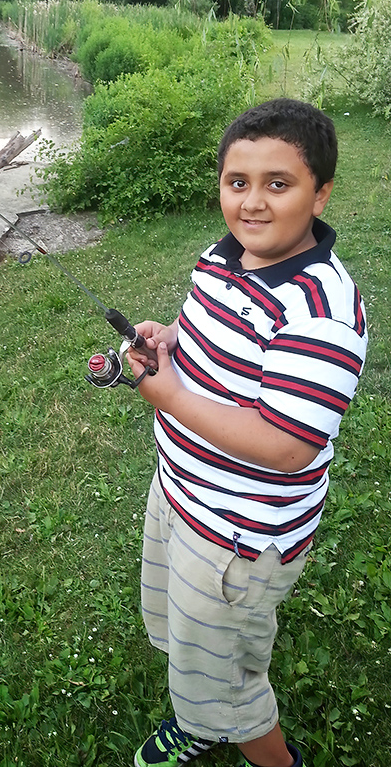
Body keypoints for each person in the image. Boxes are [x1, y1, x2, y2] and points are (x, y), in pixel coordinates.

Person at [126, 98, 367, 767]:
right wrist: (170, 339)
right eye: (239, 182)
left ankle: (255, 743)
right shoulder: (220, 256)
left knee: (228, 683)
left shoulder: (320, 310)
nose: (253, 203)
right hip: (182, 495)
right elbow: (206, 331)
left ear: (320, 195)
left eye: (278, 184)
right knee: (197, 637)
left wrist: (168, 396)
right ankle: (203, 715)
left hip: (238, 537)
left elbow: (288, 444)